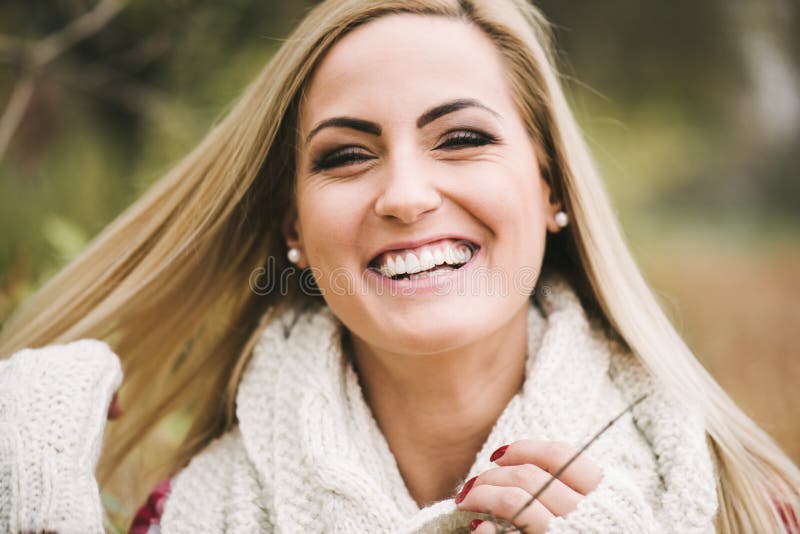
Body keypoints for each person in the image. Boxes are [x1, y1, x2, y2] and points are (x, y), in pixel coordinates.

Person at [1, 0, 798, 533]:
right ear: (295, 229)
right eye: (347, 155)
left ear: (550, 186)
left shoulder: (746, 504)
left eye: (462, 138)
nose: (407, 196)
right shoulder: (187, 516)